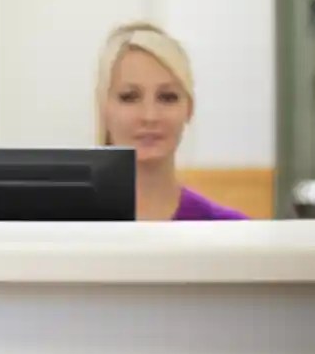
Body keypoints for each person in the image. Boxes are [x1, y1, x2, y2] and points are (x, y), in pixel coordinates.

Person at [96, 21, 247, 221]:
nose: (150, 116)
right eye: (129, 97)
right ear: (104, 109)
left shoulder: (231, 230)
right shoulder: (64, 229)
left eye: (167, 97)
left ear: (189, 109)